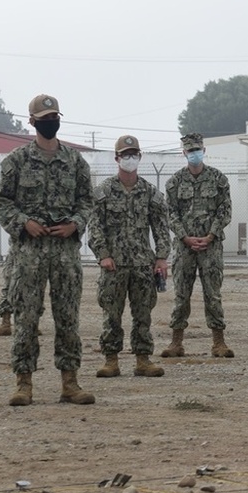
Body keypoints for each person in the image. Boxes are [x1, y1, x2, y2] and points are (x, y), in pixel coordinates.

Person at [0, 93, 95, 406]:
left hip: (65, 253)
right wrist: (24, 223)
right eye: (45, 119)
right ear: (33, 122)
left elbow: (87, 201)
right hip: (29, 254)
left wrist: (74, 224)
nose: (51, 123)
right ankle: (24, 383)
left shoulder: (75, 161)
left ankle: (70, 383)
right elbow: (2, 200)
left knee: (68, 319)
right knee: (26, 319)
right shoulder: (17, 161)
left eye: (55, 118)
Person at [88, 135, 171, 379]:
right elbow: (94, 227)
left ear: (140, 157)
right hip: (113, 265)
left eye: (134, 154)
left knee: (143, 314)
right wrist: (103, 255)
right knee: (111, 315)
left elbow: (161, 228)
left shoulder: (150, 193)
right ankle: (111, 360)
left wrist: (161, 257)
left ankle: (143, 360)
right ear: (117, 158)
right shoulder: (103, 192)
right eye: (125, 155)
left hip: (142, 264)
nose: (130, 158)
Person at [163, 133, 234, 358]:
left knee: (213, 294)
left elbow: (225, 210)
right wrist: (185, 237)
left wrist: (211, 235)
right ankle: (176, 342)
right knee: (181, 294)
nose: (194, 154)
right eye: (190, 150)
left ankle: (218, 342)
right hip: (185, 247)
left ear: (204, 151)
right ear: (184, 153)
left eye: (198, 150)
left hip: (210, 246)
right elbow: (170, 213)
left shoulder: (218, 179)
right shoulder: (174, 182)